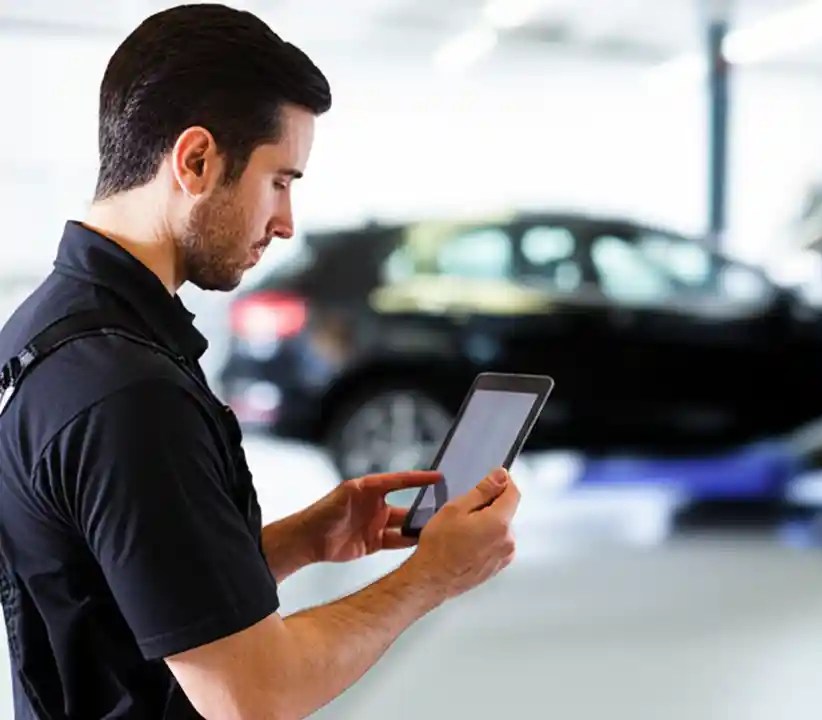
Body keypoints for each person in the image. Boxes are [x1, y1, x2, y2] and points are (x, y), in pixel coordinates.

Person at [0, 4, 520, 718]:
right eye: (281, 180)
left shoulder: (48, 329)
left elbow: (122, 596)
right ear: (196, 160)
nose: (285, 222)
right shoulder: (126, 393)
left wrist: (300, 541)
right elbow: (254, 693)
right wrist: (431, 577)